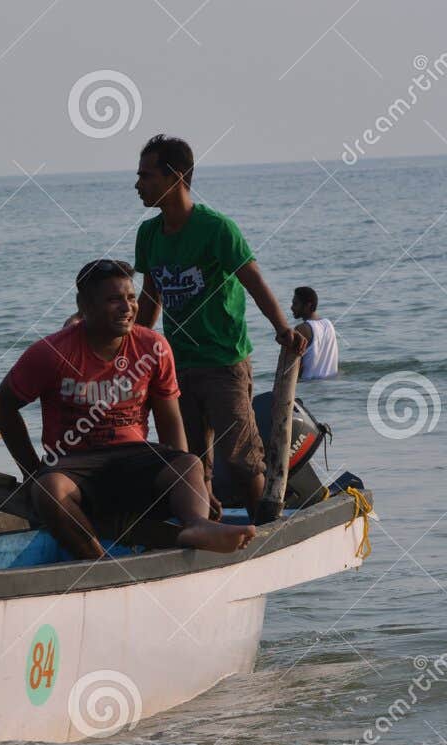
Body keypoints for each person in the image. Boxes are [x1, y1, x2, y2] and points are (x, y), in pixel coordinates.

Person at [0, 259, 257, 560]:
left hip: (134, 459)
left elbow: (169, 421)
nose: (127, 307)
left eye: (131, 298)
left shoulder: (153, 347)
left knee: (189, 463)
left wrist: (195, 488)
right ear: (85, 305)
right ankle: (97, 561)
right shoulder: (51, 353)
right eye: (114, 299)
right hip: (73, 465)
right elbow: (3, 404)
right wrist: (32, 470)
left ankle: (195, 526)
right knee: (48, 490)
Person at [134, 134, 307, 510]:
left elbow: (254, 281)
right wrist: (137, 351)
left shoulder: (216, 228)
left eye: (146, 176)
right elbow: (151, 298)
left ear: (175, 177)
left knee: (241, 459)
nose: (138, 185)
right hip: (176, 366)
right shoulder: (148, 233)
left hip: (224, 362)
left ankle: (262, 528)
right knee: (191, 463)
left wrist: (282, 328)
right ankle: (209, 532)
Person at [292, 287, 339, 380]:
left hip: (308, 387)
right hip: (331, 385)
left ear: (308, 305)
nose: (292, 307)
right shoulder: (328, 324)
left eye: (295, 304)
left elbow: (293, 366)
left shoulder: (301, 329)